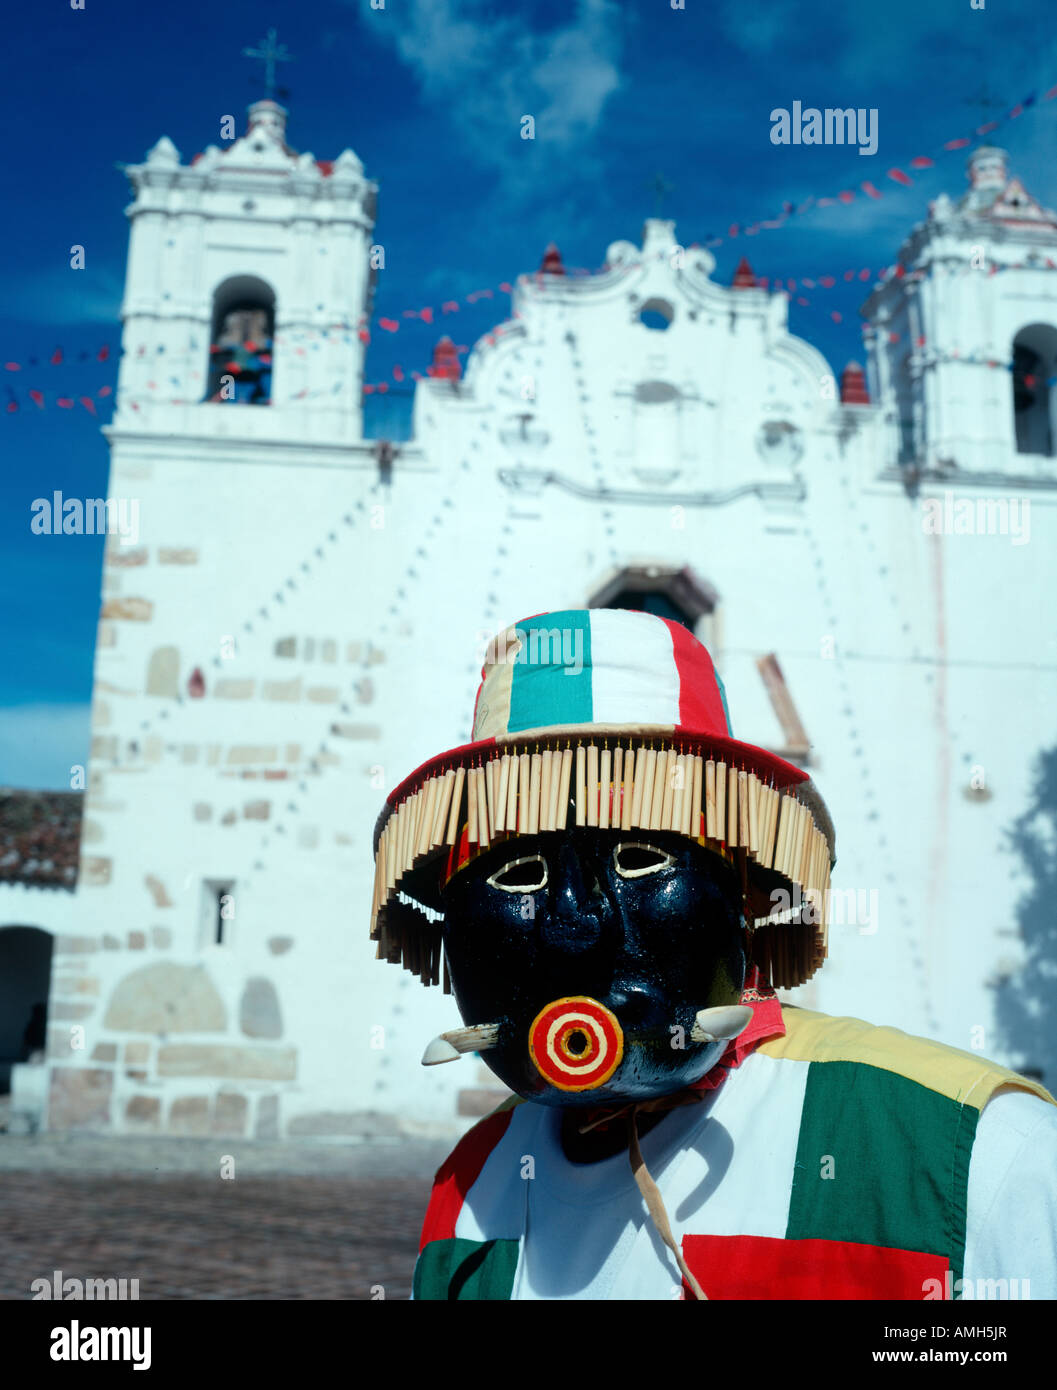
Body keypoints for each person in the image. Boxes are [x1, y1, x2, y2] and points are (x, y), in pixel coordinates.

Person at [369, 608, 1057, 1300]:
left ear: (744, 898)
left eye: (639, 862)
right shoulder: (473, 1185)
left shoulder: (971, 1158)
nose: (572, 928)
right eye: (519, 874)